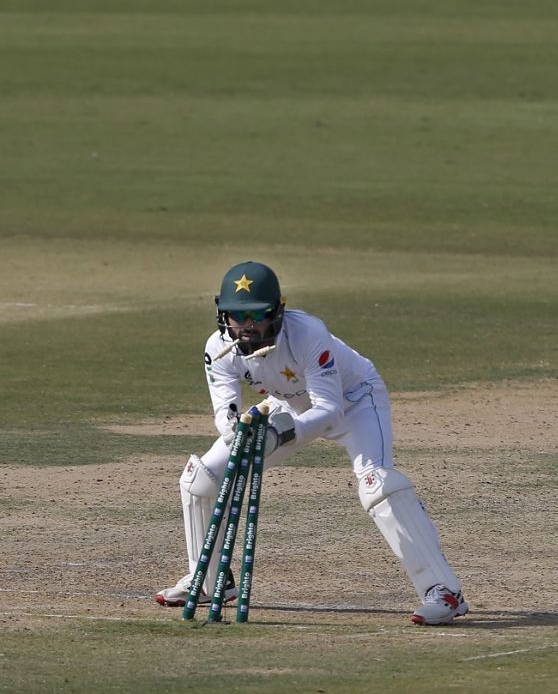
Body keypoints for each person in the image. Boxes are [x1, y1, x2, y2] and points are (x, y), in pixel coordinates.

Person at [154, 262, 469, 626]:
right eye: (236, 315)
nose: (246, 324)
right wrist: (240, 433)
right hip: (288, 405)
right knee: (201, 478)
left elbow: (331, 410)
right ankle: (210, 582)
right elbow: (226, 416)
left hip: (354, 400)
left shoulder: (308, 334)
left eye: (256, 314)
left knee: (377, 485)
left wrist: (278, 435)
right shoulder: (218, 348)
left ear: (277, 311)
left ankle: (444, 591)